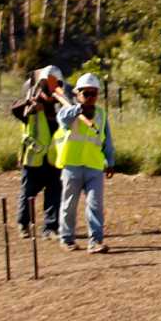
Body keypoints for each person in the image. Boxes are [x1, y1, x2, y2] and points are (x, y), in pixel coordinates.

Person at [53, 73, 114, 253]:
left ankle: (95, 242)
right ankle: (67, 239)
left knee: (95, 205)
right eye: (86, 94)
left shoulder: (101, 114)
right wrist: (77, 110)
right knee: (69, 205)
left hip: (94, 166)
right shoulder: (67, 112)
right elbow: (62, 120)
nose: (90, 98)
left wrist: (110, 161)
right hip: (72, 165)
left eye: (93, 94)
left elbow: (107, 140)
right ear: (78, 94)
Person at [10, 66, 64, 239]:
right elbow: (15, 109)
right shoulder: (30, 109)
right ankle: (23, 225)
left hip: (54, 160)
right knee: (27, 194)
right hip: (33, 160)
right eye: (47, 85)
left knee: (54, 194)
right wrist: (30, 103)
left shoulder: (61, 111)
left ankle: (50, 228)